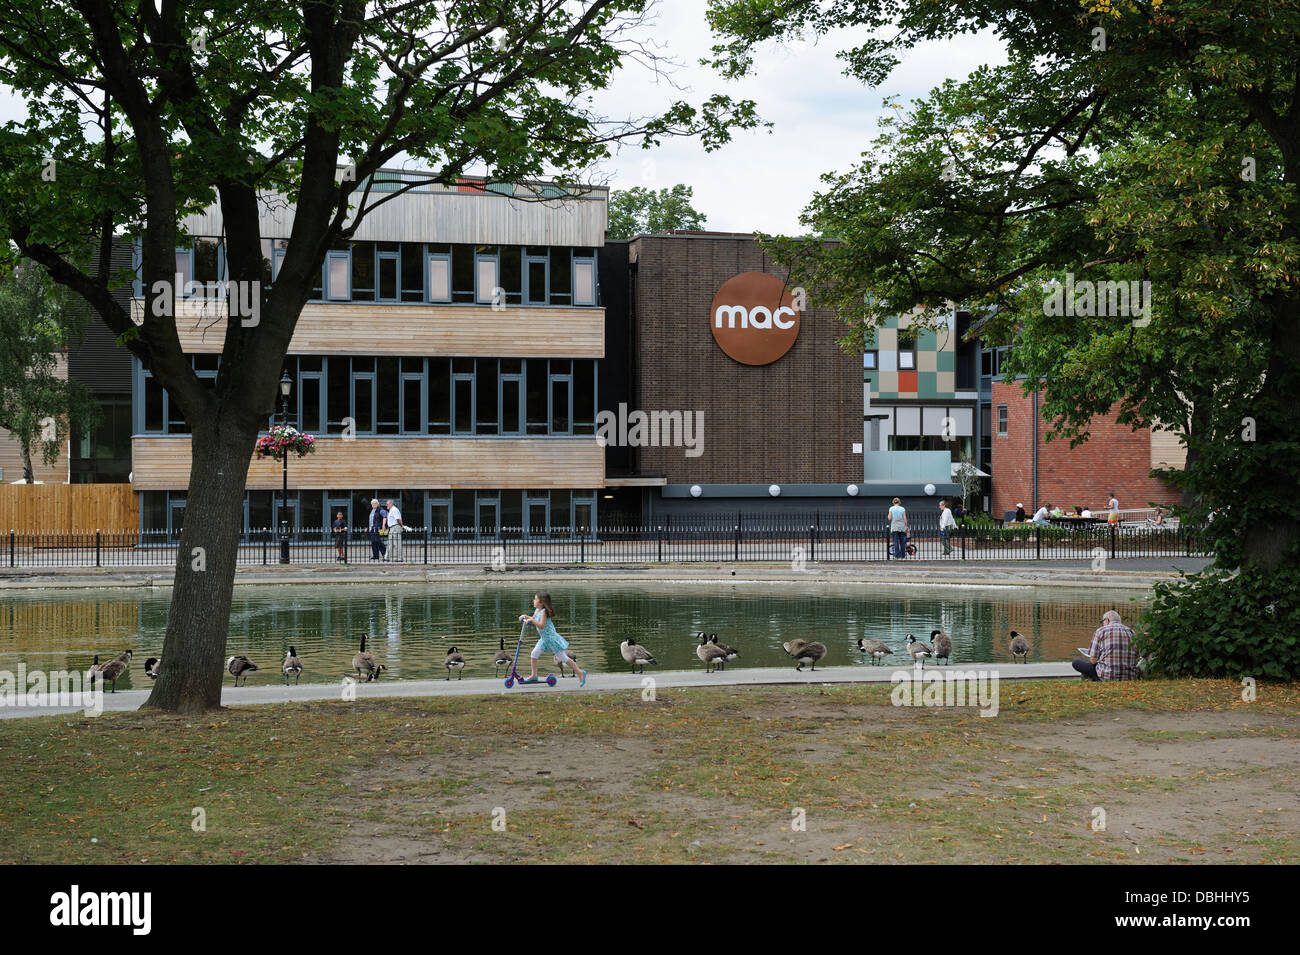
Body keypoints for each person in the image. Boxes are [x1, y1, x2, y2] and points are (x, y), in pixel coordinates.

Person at [519, 591, 585, 685]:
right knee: (534, 654)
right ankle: (534, 675)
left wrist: (532, 621)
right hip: (544, 639)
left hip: (551, 639)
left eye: (535, 599)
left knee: (563, 658)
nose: (533, 600)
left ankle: (580, 672)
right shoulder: (537, 611)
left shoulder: (544, 612)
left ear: (541, 602)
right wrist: (525, 617)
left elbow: (541, 625)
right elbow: (534, 619)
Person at [1072, 609, 1139, 681]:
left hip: (1107, 675)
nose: (1102, 624)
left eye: (1102, 622)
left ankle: (1093, 680)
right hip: (1130, 676)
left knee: (1076, 662)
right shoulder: (1131, 632)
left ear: (1107, 620)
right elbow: (1137, 656)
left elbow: (1093, 660)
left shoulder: (1101, 631)